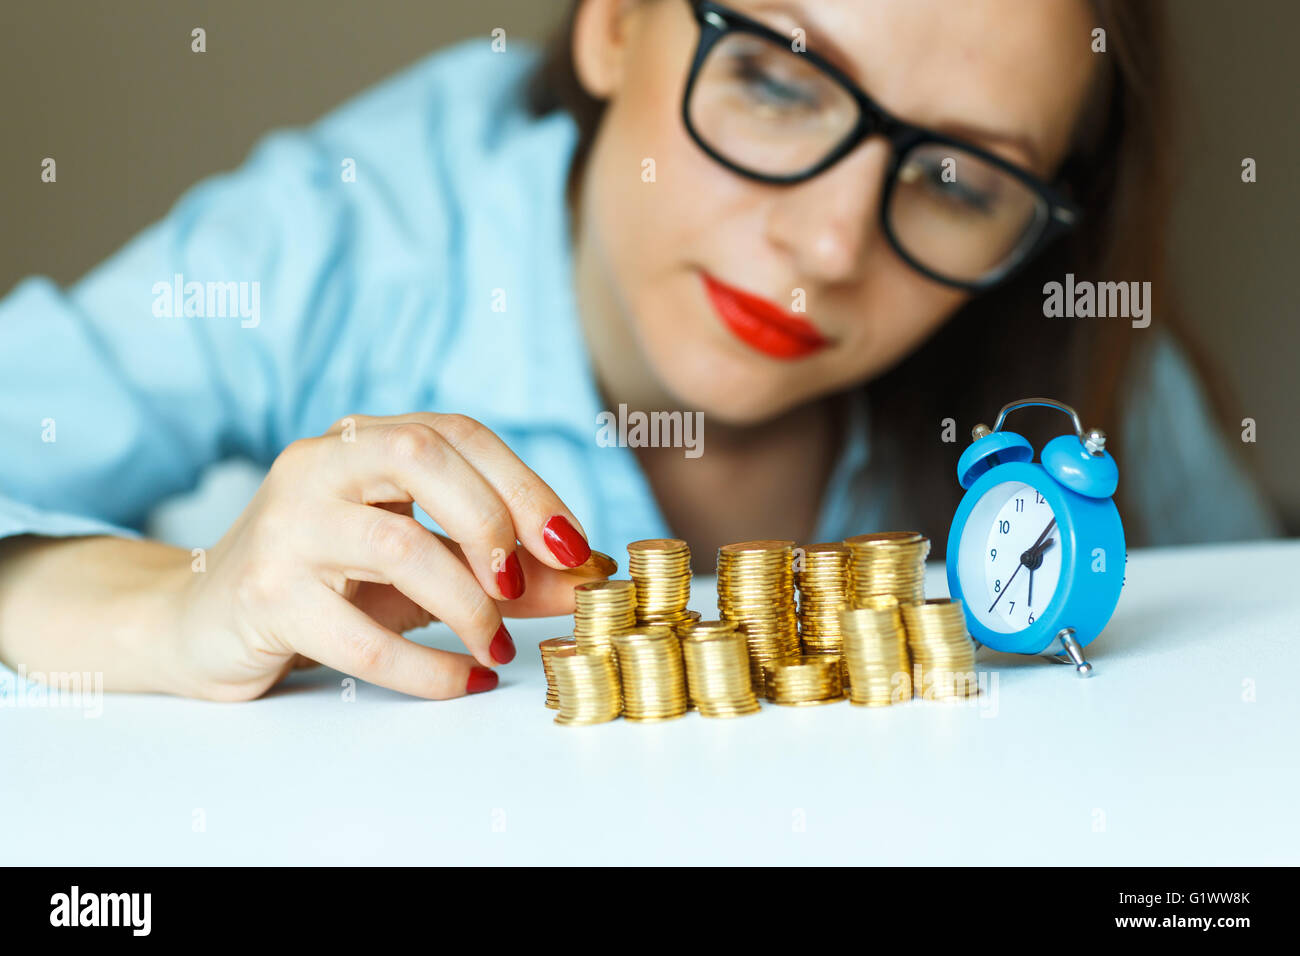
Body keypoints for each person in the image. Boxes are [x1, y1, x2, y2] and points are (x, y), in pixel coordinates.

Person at [0, 0, 1280, 702]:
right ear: (611, 20)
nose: (831, 244)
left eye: (959, 178)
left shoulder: (1071, 369)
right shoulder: (340, 233)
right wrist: (163, 603)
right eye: (777, 80)